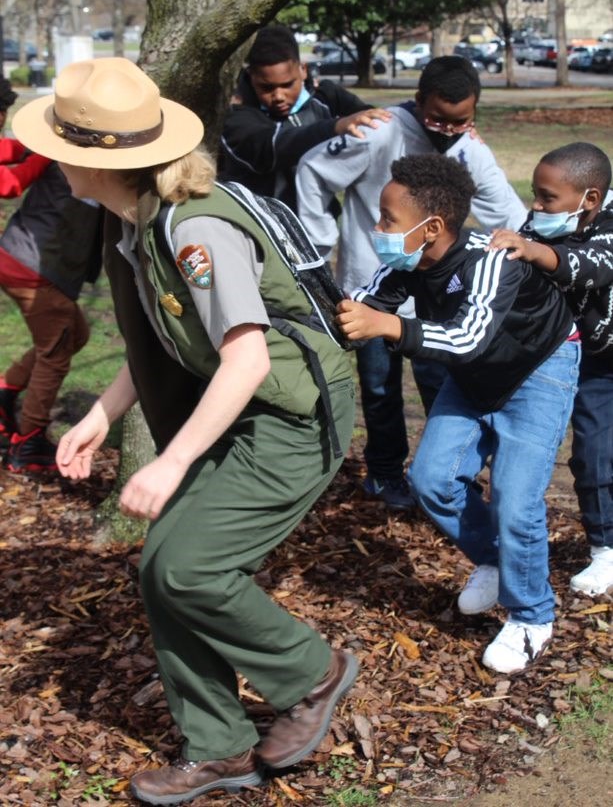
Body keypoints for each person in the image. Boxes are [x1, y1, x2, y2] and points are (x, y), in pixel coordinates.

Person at [13, 56, 359, 805]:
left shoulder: (195, 227)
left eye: (61, 147)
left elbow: (242, 359)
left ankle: (312, 674)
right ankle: (220, 748)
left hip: (294, 416)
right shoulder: (134, 221)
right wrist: (102, 416)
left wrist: (168, 463)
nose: (52, 159)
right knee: (161, 568)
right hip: (242, 408)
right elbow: (169, 345)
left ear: (96, 163)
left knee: (188, 568)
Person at [336, 154, 580, 673]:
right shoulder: (405, 263)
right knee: (432, 480)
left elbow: (467, 337)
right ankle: (495, 557)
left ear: (432, 228)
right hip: (474, 375)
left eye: (388, 220)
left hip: (537, 368)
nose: (377, 229)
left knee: (516, 497)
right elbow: (364, 302)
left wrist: (389, 328)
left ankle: (532, 615)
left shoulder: (491, 258)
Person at [296, 55, 527, 511]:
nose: (446, 129)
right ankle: (384, 473)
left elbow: (511, 215)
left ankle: (449, 479)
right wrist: (318, 249)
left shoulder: (470, 149)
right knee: (380, 389)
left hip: (438, 302)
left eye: (460, 121)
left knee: (442, 388)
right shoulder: (381, 132)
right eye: (437, 118)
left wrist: (520, 249)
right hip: (374, 291)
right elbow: (313, 171)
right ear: (417, 100)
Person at [489, 142, 613, 598]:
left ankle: (606, 549)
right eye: (536, 196)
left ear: (591, 199)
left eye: (547, 198)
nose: (536, 207)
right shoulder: (539, 224)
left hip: (605, 362)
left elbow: (591, 268)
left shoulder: (609, 228)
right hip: (558, 354)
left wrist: (534, 251)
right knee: (572, 453)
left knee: (597, 451)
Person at [0, 82, 101, 472]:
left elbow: (11, 150)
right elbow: (10, 184)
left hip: (24, 260)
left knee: (76, 335)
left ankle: (7, 390)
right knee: (55, 354)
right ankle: (28, 444)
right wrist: (41, 152)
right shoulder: (57, 151)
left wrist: (31, 149)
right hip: (31, 267)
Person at [218, 24, 390, 211]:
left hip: (318, 225)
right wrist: (335, 126)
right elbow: (274, 146)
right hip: (264, 227)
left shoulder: (327, 96)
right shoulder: (237, 118)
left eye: (287, 84)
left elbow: (375, 123)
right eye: (267, 88)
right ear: (251, 77)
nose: (278, 96)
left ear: (303, 70)